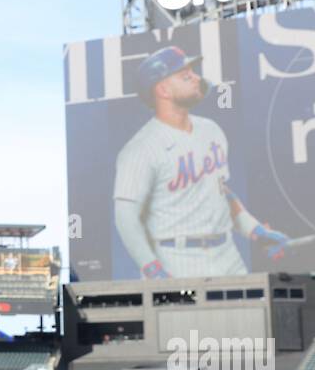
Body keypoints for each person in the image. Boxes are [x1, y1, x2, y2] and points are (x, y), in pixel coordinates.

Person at [113, 46, 288, 279]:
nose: (196, 78)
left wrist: (253, 229)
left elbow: (220, 191)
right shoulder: (140, 149)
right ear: (163, 90)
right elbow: (125, 216)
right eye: (185, 75)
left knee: (251, 314)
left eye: (193, 72)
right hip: (176, 259)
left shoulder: (211, 129)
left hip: (227, 254)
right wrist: (151, 267)